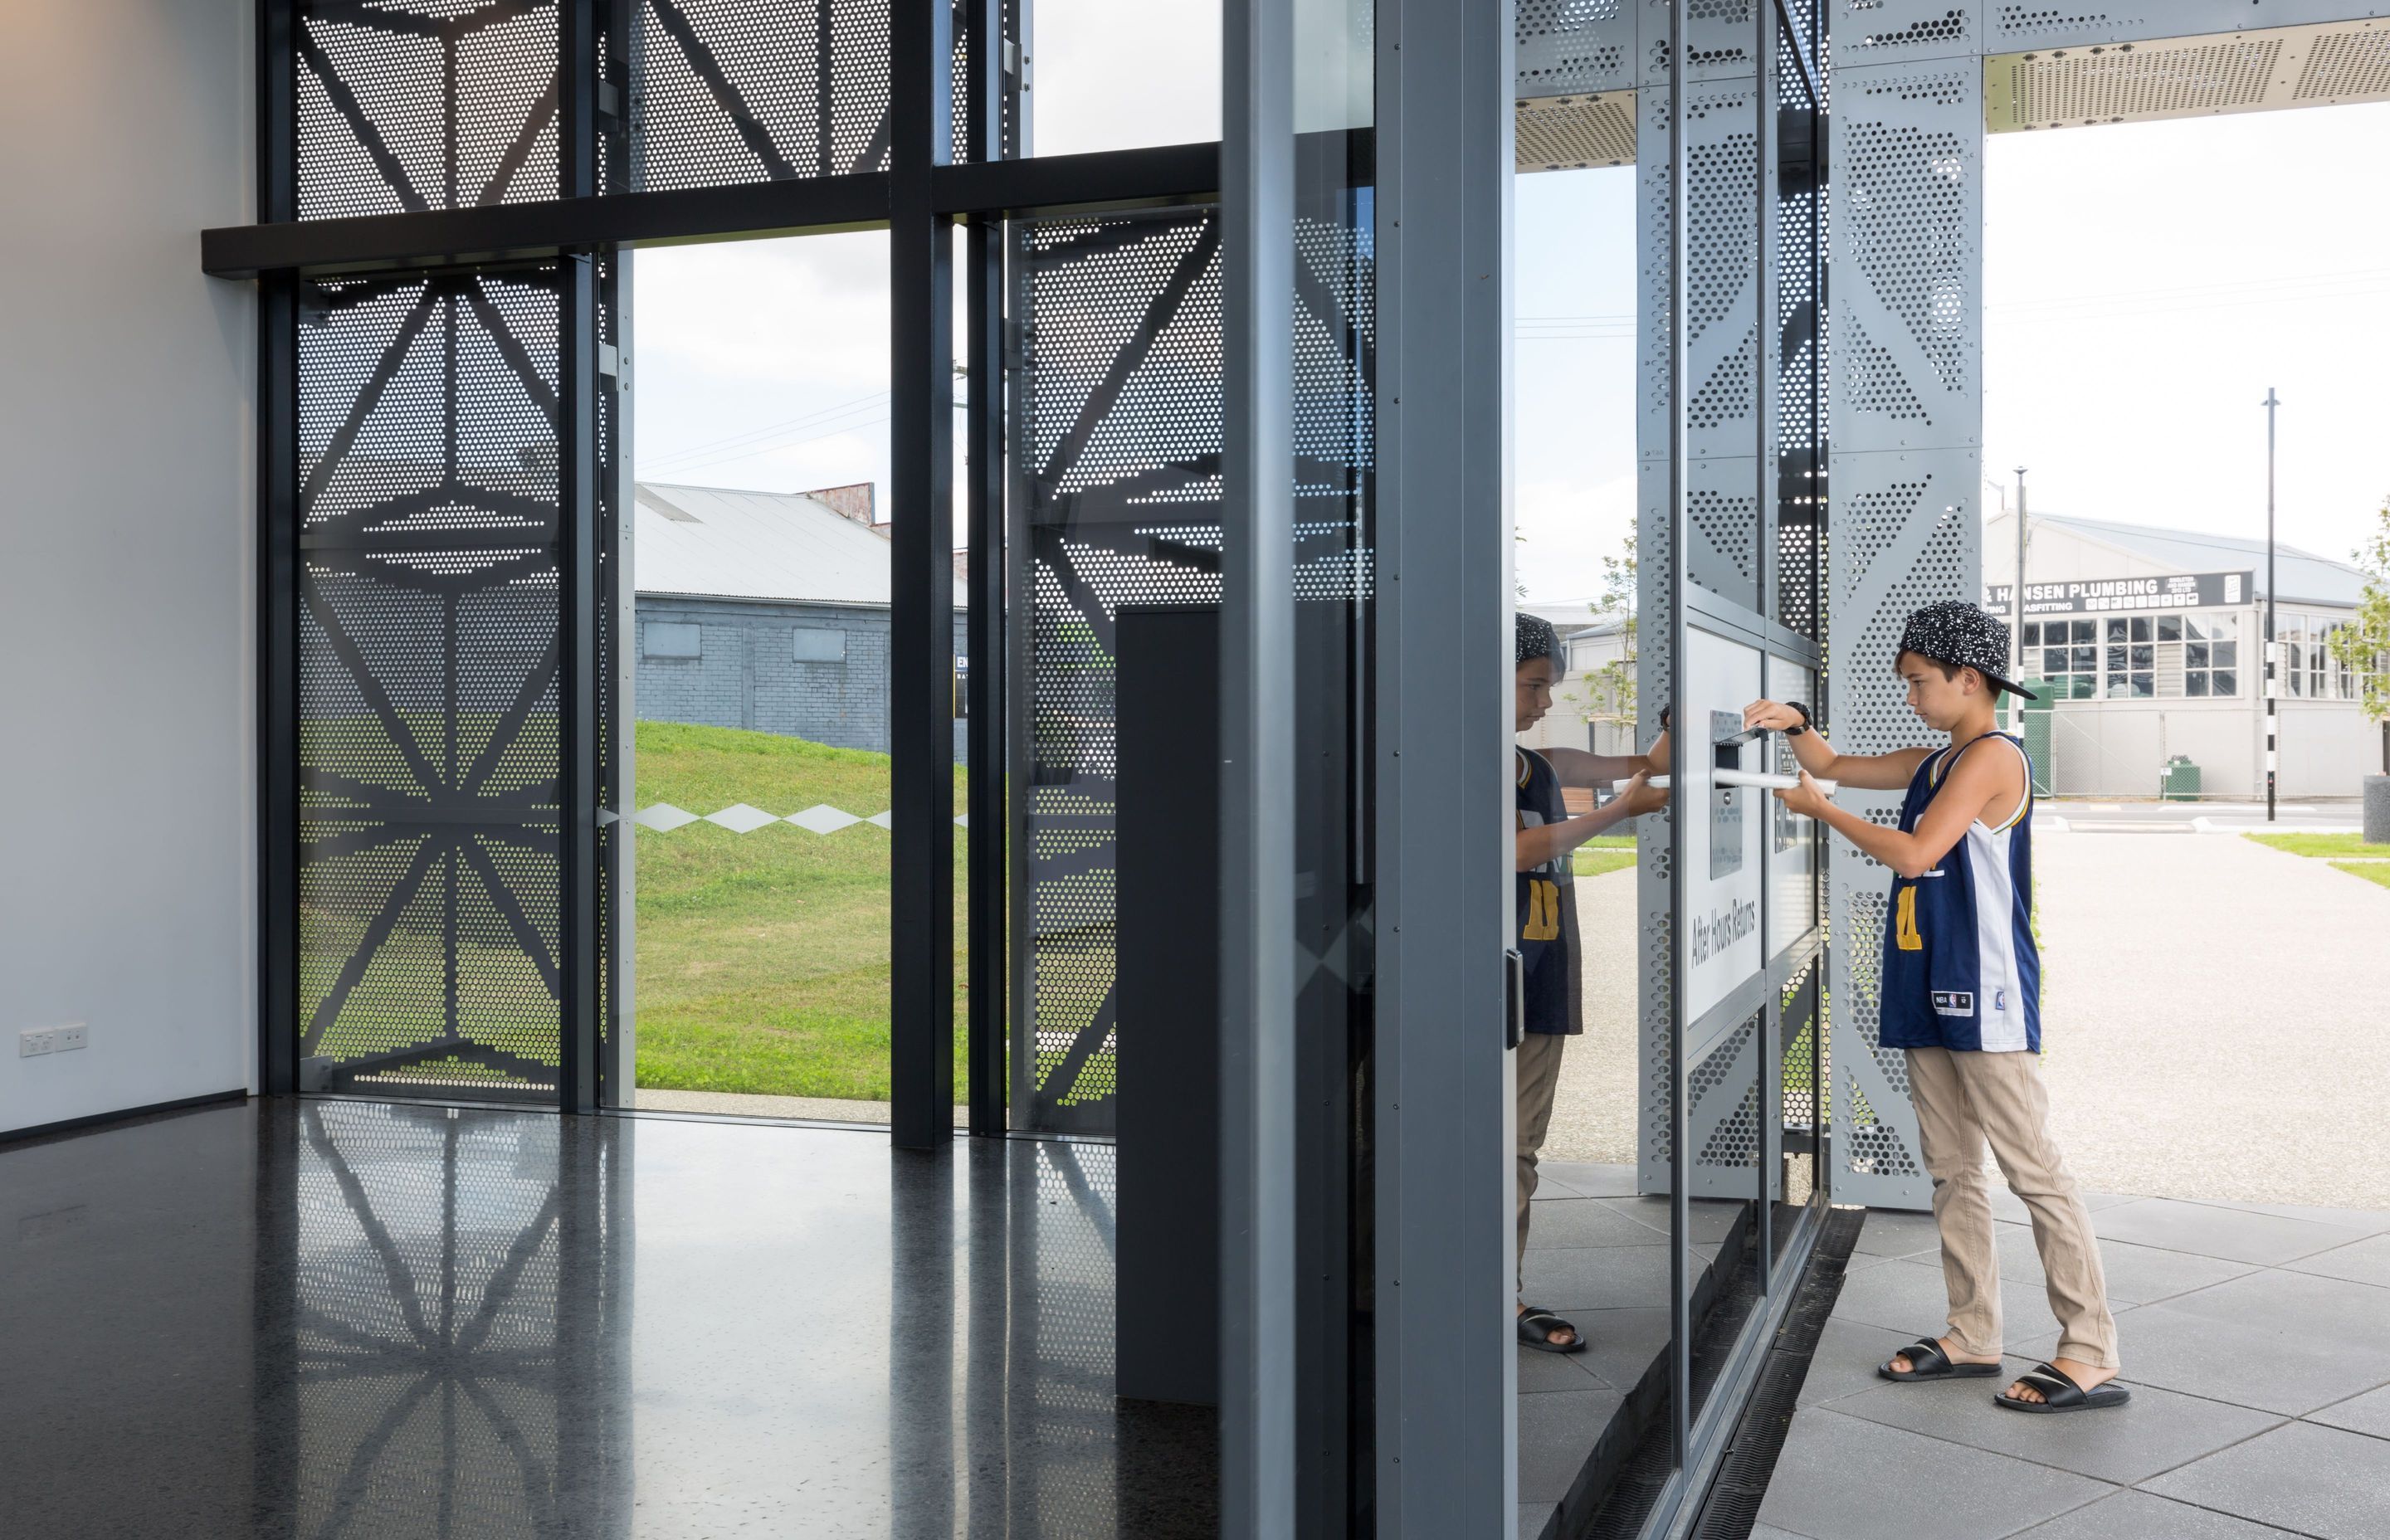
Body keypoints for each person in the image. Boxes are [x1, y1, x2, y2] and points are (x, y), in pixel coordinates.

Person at [1751, 600, 2125, 1413]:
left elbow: (1918, 853)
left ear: (1971, 678)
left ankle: (2090, 1348)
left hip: (1986, 991)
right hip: (1924, 982)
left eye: (1922, 682)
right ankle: (1973, 1332)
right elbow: (1837, 759)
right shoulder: (1934, 759)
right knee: (1953, 1167)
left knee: (2034, 1169)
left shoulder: (1993, 758)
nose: (1913, 696)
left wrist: (1823, 812)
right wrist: (1795, 723)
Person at [1513, 612, 1671, 1353]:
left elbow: (1586, 762)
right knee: (1490, 1151)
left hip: (1538, 984)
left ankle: (1499, 1295)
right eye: (1535, 685)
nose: (1546, 701)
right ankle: (1485, 1295)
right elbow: (1508, 852)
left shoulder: (1532, 765)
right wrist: (1618, 813)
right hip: (1482, 989)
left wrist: (1654, 751)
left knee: (1519, 1150)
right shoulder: (1446, 757)